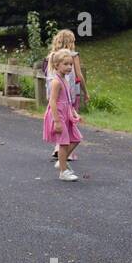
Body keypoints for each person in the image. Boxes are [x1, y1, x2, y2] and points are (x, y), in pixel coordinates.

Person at [43, 48, 83, 181]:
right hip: (58, 115)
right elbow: (52, 101)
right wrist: (57, 121)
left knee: (76, 138)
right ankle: (63, 171)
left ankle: (62, 161)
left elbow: (68, 100)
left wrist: (74, 112)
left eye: (71, 64)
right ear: (56, 65)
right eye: (65, 64)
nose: (69, 67)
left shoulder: (65, 79)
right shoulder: (56, 82)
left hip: (66, 113)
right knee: (64, 143)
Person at [46, 29, 85, 161]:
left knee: (62, 120)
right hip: (70, 94)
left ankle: (58, 148)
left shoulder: (53, 56)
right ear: (70, 42)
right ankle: (65, 153)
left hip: (53, 93)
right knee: (69, 122)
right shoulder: (73, 55)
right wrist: (86, 90)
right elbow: (79, 75)